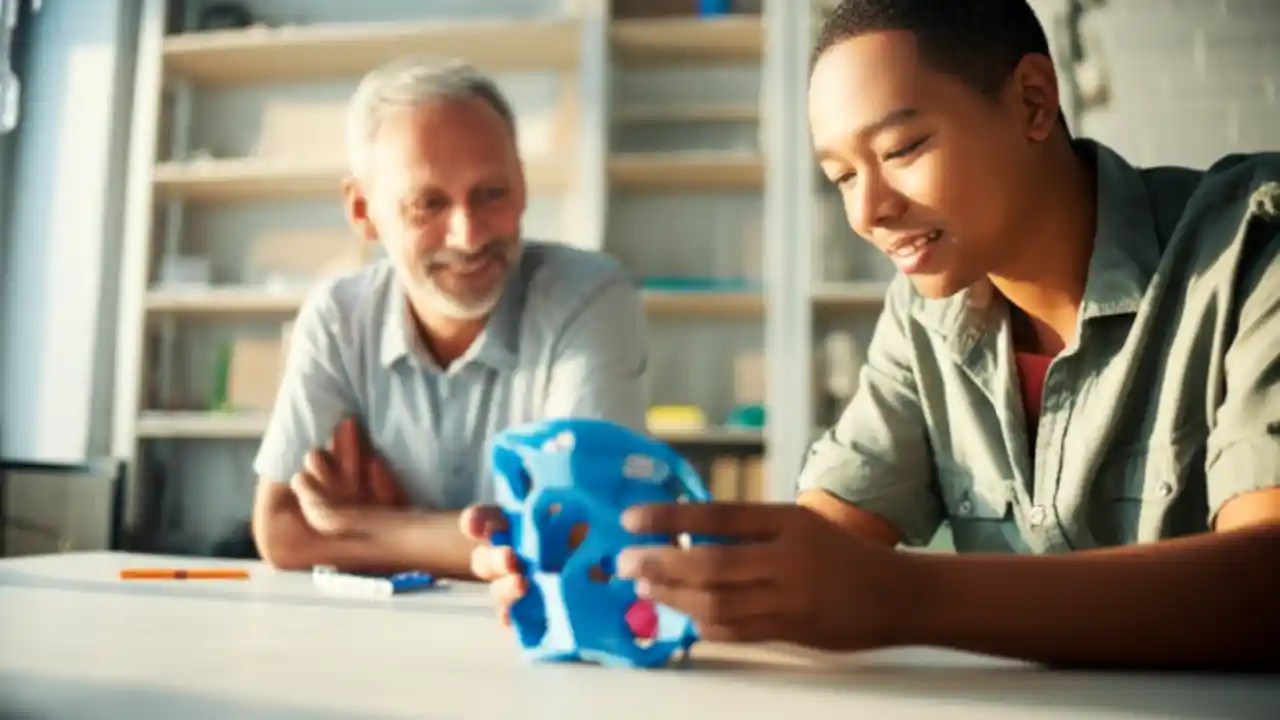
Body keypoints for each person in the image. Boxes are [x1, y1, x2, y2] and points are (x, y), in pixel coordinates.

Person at [464, 0, 1280, 669]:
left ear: (1034, 101)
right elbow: (818, 552)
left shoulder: (1252, 249)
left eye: (903, 148)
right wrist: (607, 566)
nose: (867, 212)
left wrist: (903, 595)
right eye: (842, 176)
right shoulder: (925, 314)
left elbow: (1261, 585)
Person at [250, 57, 648, 577]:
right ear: (363, 212)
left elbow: (582, 537)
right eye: (428, 204)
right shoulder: (337, 319)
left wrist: (370, 524)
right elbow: (280, 530)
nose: (469, 235)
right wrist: (490, 548)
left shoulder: (590, 299)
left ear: (522, 185)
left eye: (492, 194)